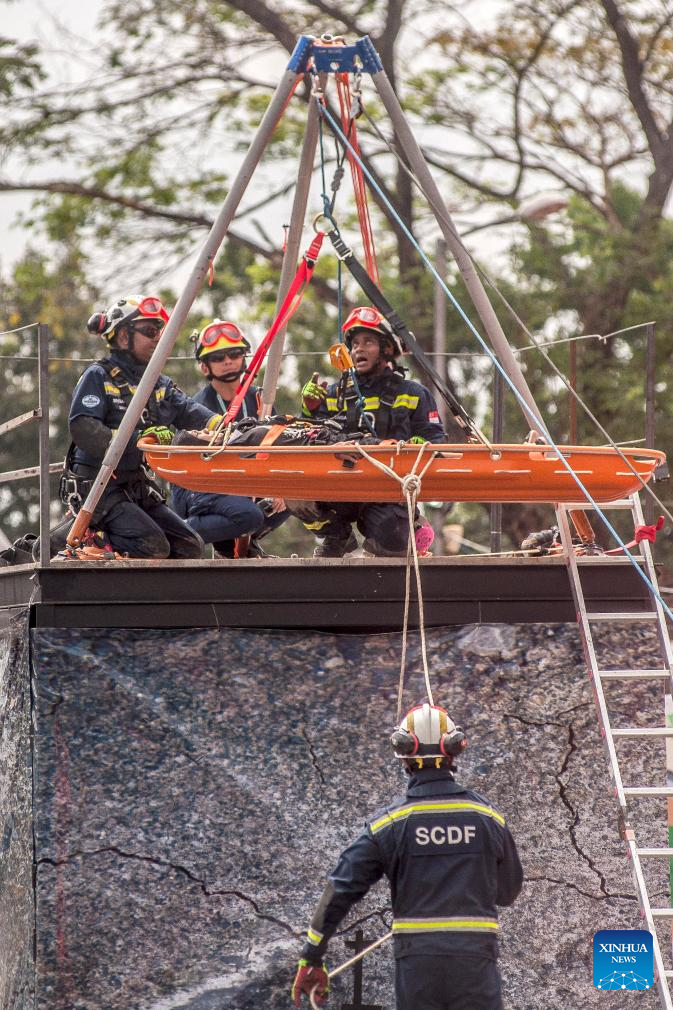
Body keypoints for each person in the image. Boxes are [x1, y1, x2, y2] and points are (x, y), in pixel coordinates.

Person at [291, 701, 523, 1010]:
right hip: (475, 959)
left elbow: (341, 888)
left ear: (403, 753)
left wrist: (311, 956)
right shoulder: (487, 818)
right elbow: (508, 893)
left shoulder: (388, 825)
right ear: (453, 751)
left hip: (417, 965)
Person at [53, 294, 223, 559]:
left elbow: (190, 411)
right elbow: (84, 429)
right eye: (150, 331)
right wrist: (141, 440)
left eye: (160, 331)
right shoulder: (98, 376)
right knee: (153, 546)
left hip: (136, 487)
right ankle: (91, 541)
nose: (158, 338)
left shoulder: (158, 383)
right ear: (123, 336)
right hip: (100, 488)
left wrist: (228, 427)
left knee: (190, 546)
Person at [291, 306, 454, 557]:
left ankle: (399, 531)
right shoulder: (334, 393)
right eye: (355, 343)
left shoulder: (412, 393)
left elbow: (436, 440)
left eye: (368, 341)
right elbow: (310, 439)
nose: (358, 349)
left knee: (394, 539)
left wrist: (419, 444)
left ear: (387, 349)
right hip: (339, 488)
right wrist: (310, 411)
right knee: (298, 497)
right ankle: (337, 537)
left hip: (386, 491)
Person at [170, 319, 288, 558]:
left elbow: (277, 445)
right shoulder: (196, 407)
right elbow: (197, 465)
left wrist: (280, 490)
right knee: (247, 513)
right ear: (205, 367)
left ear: (244, 357)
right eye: (218, 357)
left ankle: (237, 545)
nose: (227, 361)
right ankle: (176, 532)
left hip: (242, 483)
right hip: (199, 486)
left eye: (234, 354)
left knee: (293, 497)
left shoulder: (261, 401)